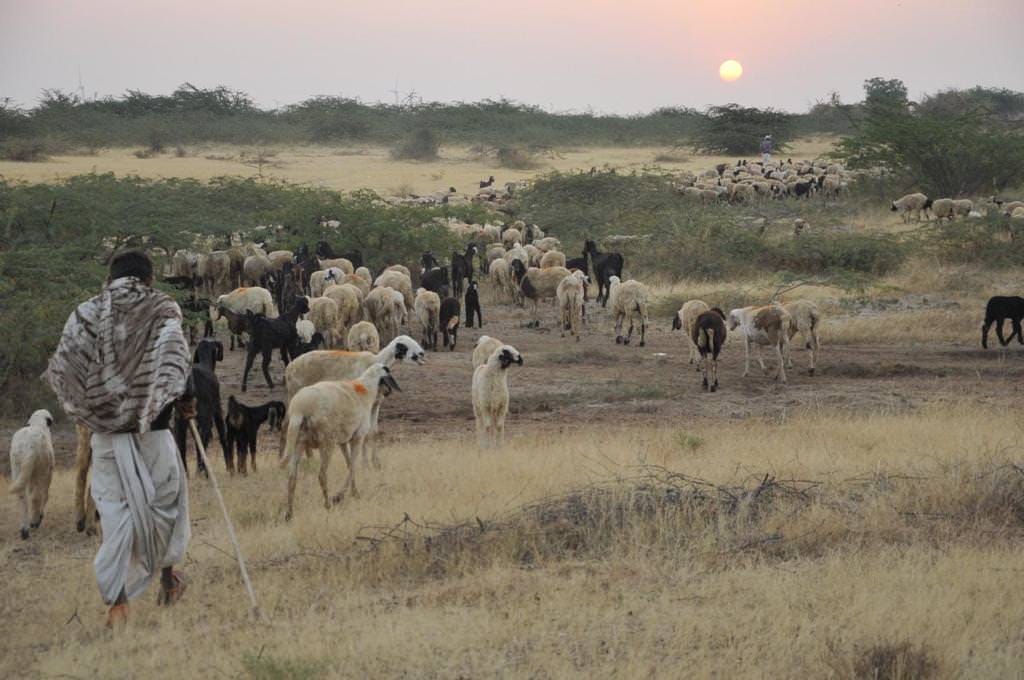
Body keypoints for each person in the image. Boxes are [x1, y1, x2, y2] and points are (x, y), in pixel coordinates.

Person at [45, 250, 195, 627]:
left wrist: (88, 408)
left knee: (114, 513)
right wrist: (186, 400)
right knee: (166, 507)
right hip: (153, 430)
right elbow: (177, 357)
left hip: (106, 436)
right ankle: (167, 578)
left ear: (110, 277)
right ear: (149, 279)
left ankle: (118, 603)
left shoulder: (87, 311)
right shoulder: (162, 307)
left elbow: (64, 367)